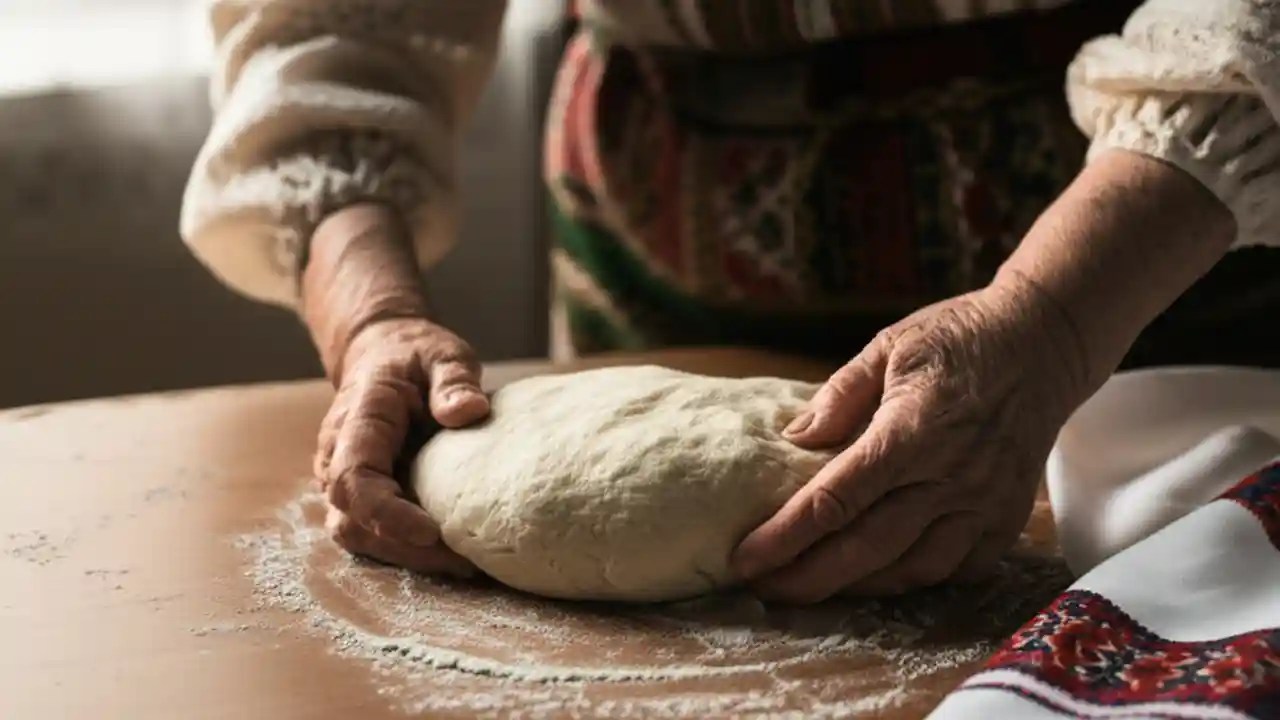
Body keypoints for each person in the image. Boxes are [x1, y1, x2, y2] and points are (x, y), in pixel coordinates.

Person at [182, 1, 1280, 603]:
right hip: (668, 221)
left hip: (1167, 237)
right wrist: (371, 314)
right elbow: (327, 25)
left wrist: (1057, 315)